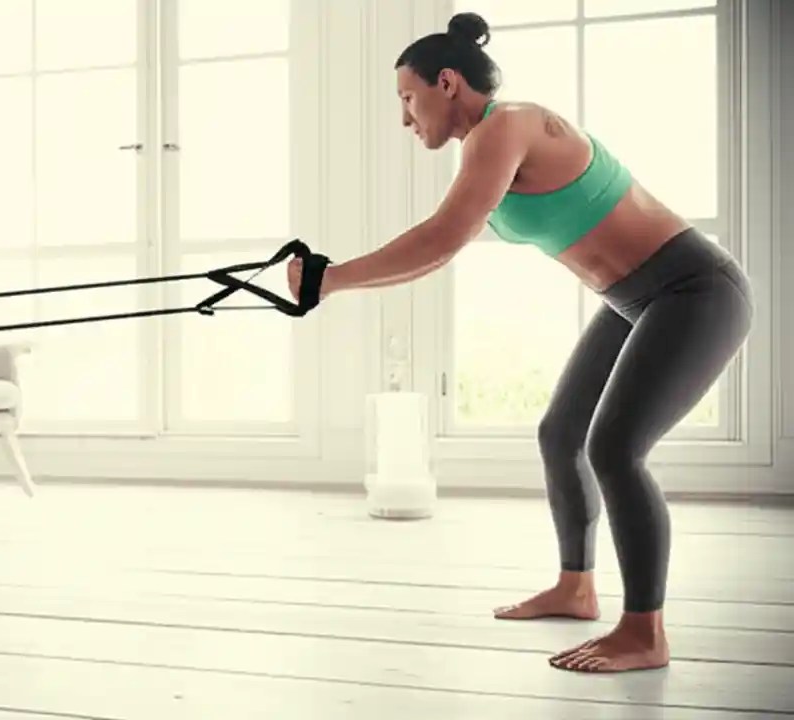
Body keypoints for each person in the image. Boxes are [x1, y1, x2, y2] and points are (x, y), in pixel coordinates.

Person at [288, 12, 754, 673]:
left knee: (616, 449)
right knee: (560, 434)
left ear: (447, 82)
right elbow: (436, 248)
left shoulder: (510, 124)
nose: (404, 118)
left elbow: (440, 240)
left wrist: (330, 281)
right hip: (632, 301)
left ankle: (645, 632)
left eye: (407, 98)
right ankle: (576, 586)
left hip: (694, 291)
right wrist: (332, 283)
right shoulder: (486, 144)